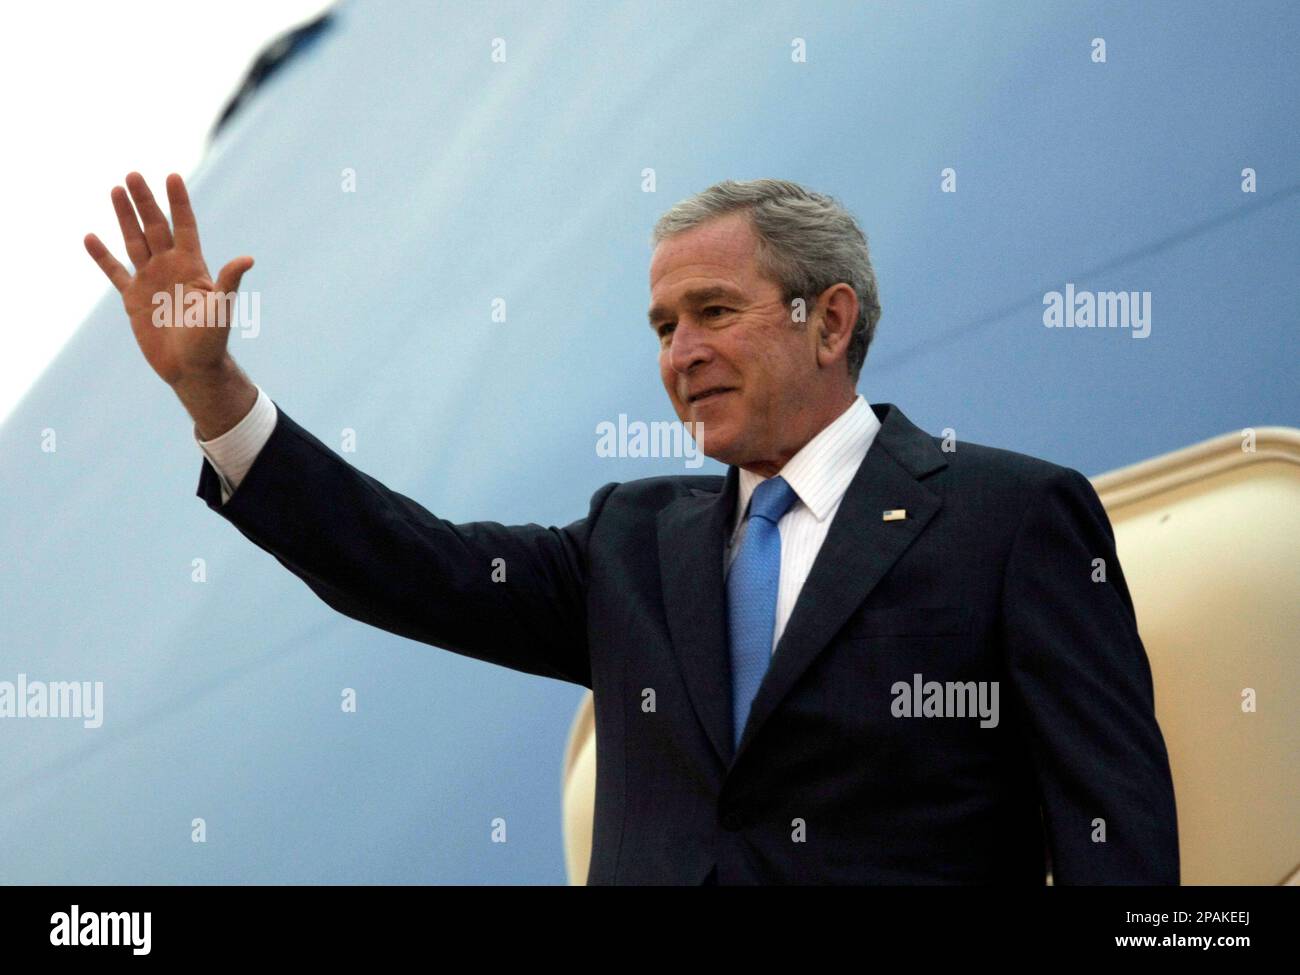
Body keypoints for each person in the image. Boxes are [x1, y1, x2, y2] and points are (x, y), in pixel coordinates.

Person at [85, 174, 1180, 884]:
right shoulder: (630, 543)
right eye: (663, 327)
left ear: (829, 321)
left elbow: (1116, 840)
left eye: (713, 311)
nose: (679, 352)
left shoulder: (1009, 517)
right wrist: (215, 389)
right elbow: (410, 567)